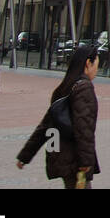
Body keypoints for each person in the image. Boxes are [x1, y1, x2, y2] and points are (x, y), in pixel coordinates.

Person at [16, 44, 101, 189]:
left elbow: (44, 126)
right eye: (96, 65)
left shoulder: (66, 87)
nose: (97, 71)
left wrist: (25, 155)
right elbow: (84, 129)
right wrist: (86, 162)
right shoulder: (84, 88)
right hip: (75, 160)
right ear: (88, 63)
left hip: (63, 157)